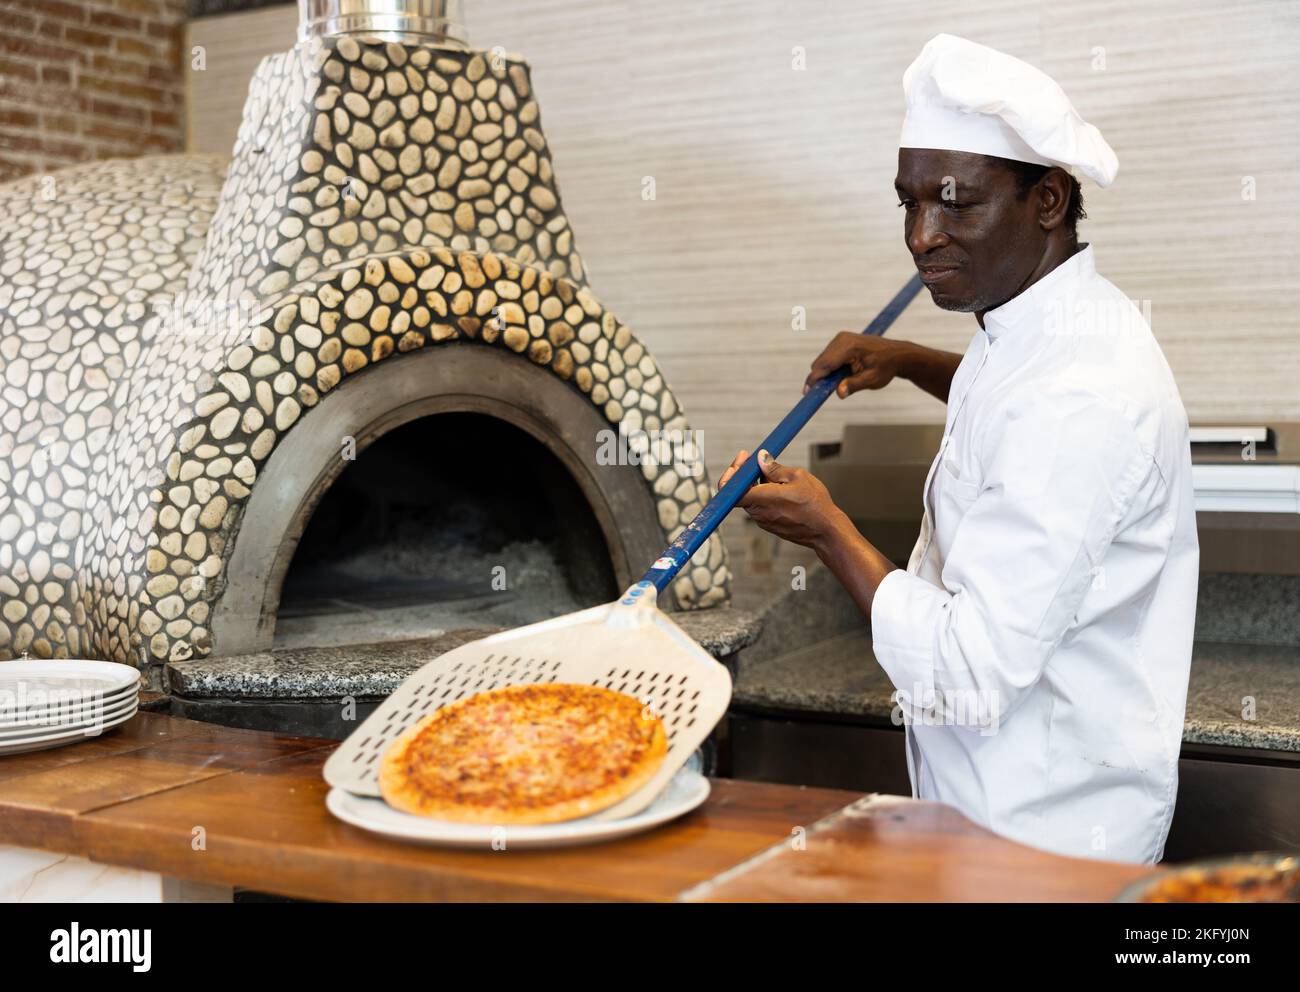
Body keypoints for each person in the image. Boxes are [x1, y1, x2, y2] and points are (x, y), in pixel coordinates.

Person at [719, 34, 1198, 864]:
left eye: (954, 205)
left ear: (1047, 199)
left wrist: (827, 529)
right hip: (996, 804)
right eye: (907, 203)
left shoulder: (1083, 393)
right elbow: (1008, 395)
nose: (920, 236)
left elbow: (969, 675)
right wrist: (907, 362)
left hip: (1044, 837)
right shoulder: (1047, 321)